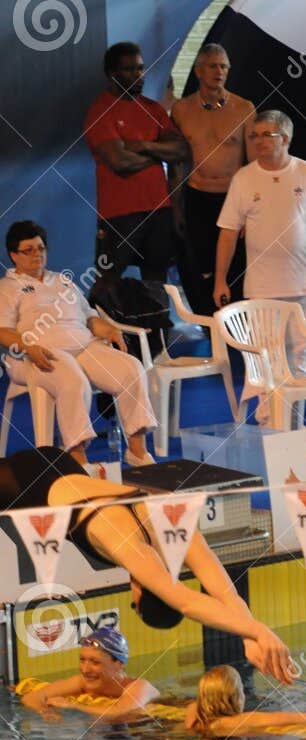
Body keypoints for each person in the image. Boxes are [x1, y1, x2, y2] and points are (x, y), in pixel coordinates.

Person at [0, 446, 295, 683]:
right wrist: (256, 633)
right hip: (28, 484)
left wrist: (254, 632)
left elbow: (225, 593)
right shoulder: (130, 551)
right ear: (140, 597)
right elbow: (188, 604)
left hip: (59, 464)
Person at [0, 221, 158, 466]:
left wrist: (109, 329)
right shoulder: (7, 288)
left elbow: (89, 317)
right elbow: (3, 331)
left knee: (131, 369)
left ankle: (137, 452)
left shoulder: (62, 280)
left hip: (84, 346)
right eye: (28, 250)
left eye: (41, 248)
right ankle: (77, 457)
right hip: (37, 353)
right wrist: (28, 347)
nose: (37, 254)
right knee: (73, 381)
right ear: (13, 255)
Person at [214, 110, 306, 377]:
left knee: (300, 353)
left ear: (286, 139)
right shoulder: (243, 178)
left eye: (267, 135)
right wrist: (220, 279)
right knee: (265, 355)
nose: (258, 141)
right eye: (254, 136)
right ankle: (269, 417)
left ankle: (294, 417)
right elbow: (228, 233)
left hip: (302, 283)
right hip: (261, 287)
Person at [84, 42, 186, 284]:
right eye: (130, 70)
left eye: (141, 68)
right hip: (120, 214)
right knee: (106, 280)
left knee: (156, 278)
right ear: (112, 74)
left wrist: (144, 146)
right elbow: (121, 162)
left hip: (159, 210)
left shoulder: (153, 109)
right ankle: (97, 321)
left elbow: (181, 150)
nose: (139, 75)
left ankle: (156, 323)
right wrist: (160, 153)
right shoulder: (100, 112)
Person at [169, 43, 255, 316]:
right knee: (202, 265)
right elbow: (177, 162)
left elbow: (254, 165)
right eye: (213, 66)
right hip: (197, 195)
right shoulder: (182, 110)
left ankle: (239, 324)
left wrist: (250, 211)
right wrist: (176, 206)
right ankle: (210, 325)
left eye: (224, 66)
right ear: (198, 71)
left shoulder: (243, 108)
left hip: (232, 197)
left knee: (235, 265)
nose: (219, 71)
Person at [19, 627, 158, 723]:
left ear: (119, 664)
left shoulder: (139, 687)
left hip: (149, 726)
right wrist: (46, 712)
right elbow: (32, 696)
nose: (85, 670)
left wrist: (73, 706)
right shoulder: (83, 682)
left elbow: (120, 711)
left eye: (95, 662)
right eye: (82, 660)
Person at [184, 665, 306, 737]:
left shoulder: (194, 712)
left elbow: (199, 703)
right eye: (241, 690)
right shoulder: (242, 720)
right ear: (236, 698)